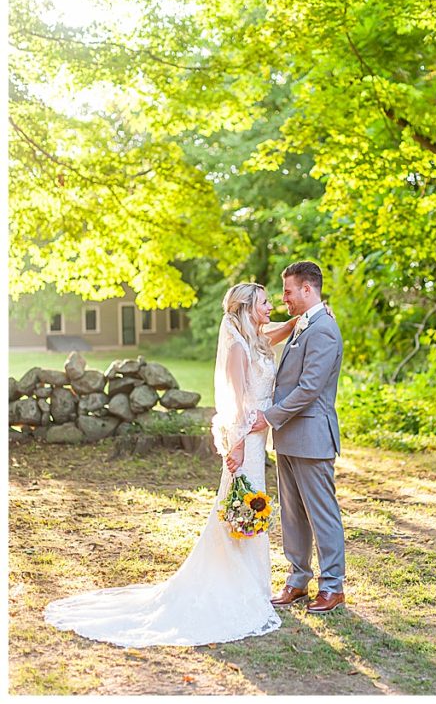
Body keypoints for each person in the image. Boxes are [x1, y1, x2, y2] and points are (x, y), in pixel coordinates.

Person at [44, 283, 298, 647]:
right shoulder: (238, 351)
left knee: (247, 505)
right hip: (247, 440)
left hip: (258, 438)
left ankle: (253, 583)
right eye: (265, 302)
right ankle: (235, 584)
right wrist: (237, 447)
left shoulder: (255, 339)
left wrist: (300, 319)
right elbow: (238, 405)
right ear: (246, 308)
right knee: (238, 506)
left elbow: (274, 331)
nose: (272, 306)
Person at [249, 260, 346, 613]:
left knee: (322, 515)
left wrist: (268, 417)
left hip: (312, 436)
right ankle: (297, 579)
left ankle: (333, 587)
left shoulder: (323, 330)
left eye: (288, 291)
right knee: (292, 514)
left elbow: (308, 389)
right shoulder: (303, 325)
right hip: (290, 436)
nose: (284, 298)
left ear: (308, 289)